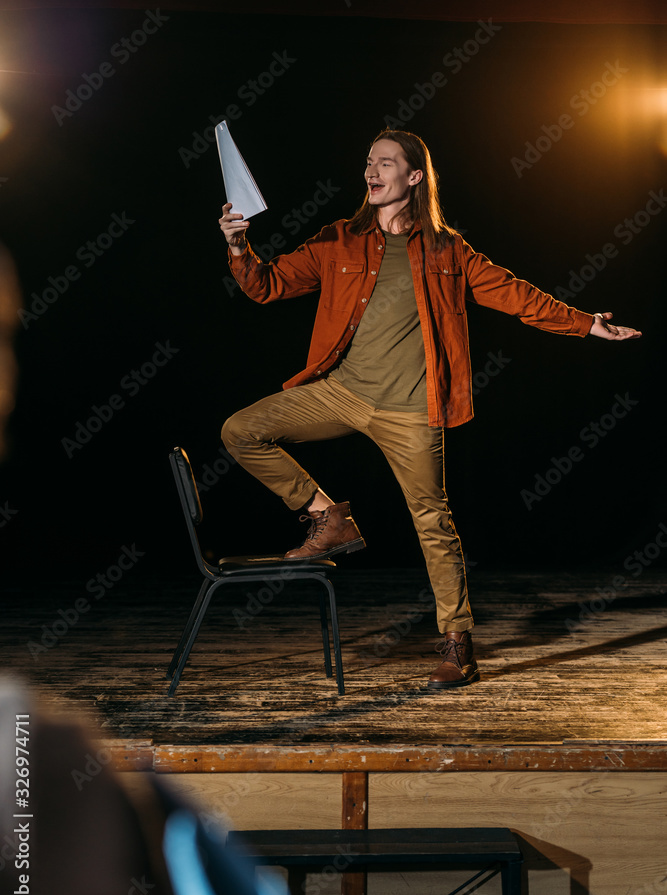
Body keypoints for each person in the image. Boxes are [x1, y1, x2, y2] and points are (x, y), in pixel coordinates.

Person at [218, 128, 641, 691]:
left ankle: (458, 644)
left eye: (386, 163)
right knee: (240, 430)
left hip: (414, 411)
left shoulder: (447, 250)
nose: (372, 171)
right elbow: (266, 287)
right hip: (342, 391)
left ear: (414, 177)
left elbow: (515, 293)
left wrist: (585, 323)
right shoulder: (339, 239)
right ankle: (329, 516)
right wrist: (240, 246)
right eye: (369, 162)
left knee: (433, 522)